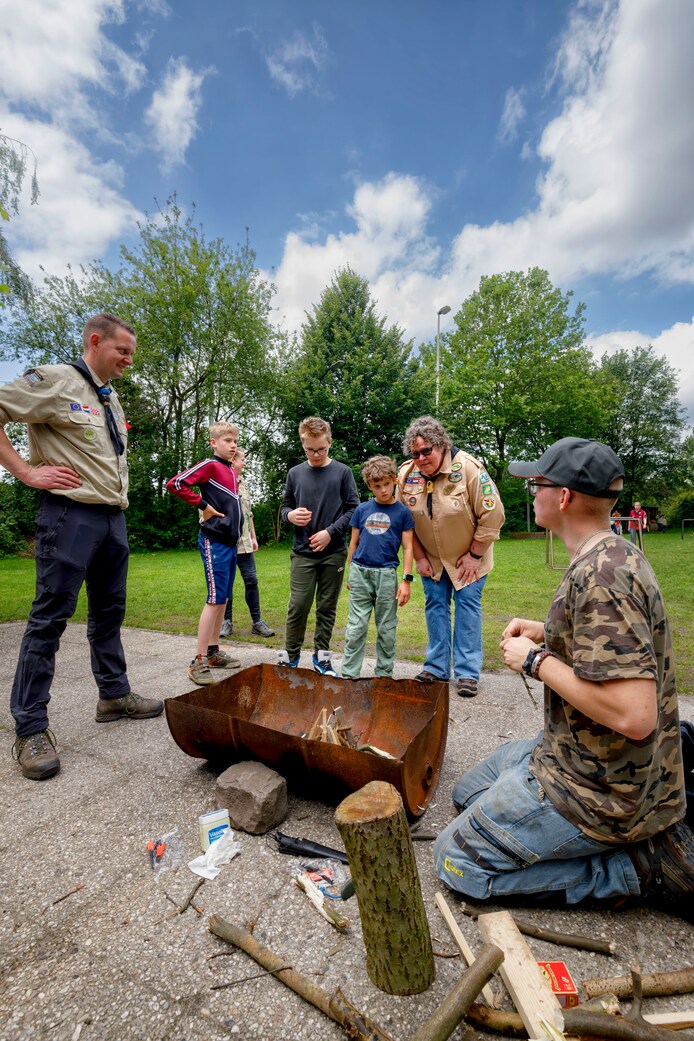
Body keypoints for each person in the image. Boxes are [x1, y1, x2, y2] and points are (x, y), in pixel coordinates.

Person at [434, 437, 693, 917]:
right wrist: (548, 632)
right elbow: (605, 645)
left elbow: (635, 715)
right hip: (570, 752)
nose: (532, 493)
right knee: (467, 793)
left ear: (565, 497)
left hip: (603, 791)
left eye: (537, 484)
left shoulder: (603, 578)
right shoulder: (610, 552)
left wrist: (535, 661)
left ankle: (638, 867)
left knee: (454, 861)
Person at [0, 313, 164, 781]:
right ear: (96, 341)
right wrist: (26, 472)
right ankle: (30, 728)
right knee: (49, 618)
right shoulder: (55, 381)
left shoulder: (109, 396)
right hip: (70, 514)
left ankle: (113, 695)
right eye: (123, 351)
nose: (129, 360)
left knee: (110, 612)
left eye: (131, 353)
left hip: (112, 518)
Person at [396, 416, 504, 698]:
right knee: (435, 607)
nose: (421, 459)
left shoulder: (469, 469)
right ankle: (436, 667)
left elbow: (493, 515)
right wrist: (419, 558)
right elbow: (404, 523)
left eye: (426, 451)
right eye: (415, 453)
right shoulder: (406, 474)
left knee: (467, 608)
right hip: (431, 560)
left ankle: (467, 673)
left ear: (441, 445)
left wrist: (474, 556)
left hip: (468, 560)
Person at [278, 417, 359, 676]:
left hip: (333, 553)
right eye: (309, 450)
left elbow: (353, 509)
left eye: (321, 449)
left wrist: (330, 533)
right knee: (298, 605)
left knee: (327, 607)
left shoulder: (343, 472)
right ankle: (290, 657)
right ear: (303, 444)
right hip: (302, 552)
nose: (315, 455)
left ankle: (322, 658)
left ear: (330, 442)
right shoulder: (295, 473)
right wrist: (290, 516)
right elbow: (285, 507)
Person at [166, 422, 243, 685]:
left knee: (223, 599)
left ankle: (212, 652)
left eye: (235, 441)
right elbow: (175, 483)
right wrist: (202, 505)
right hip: (214, 541)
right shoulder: (210, 465)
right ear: (214, 443)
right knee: (214, 599)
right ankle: (197, 661)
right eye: (228, 440)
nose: (233, 445)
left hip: (230, 543)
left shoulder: (231, 470)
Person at [341, 455, 415, 680]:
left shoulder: (403, 512)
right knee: (356, 627)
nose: (383, 490)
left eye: (387, 484)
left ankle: (384, 676)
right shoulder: (362, 510)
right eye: (377, 486)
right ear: (369, 486)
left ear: (394, 480)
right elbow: (353, 543)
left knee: (386, 628)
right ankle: (349, 675)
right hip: (360, 572)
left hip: (386, 575)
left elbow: (408, 547)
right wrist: (351, 573)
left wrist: (406, 580)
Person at [220, 447, 274, 639]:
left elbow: (248, 513)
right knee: (226, 584)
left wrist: (253, 536)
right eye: (242, 459)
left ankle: (257, 622)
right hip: (225, 543)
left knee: (251, 580)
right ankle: (226, 622)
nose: (245, 463)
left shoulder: (242, 483)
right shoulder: (217, 482)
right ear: (232, 460)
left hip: (244, 543)